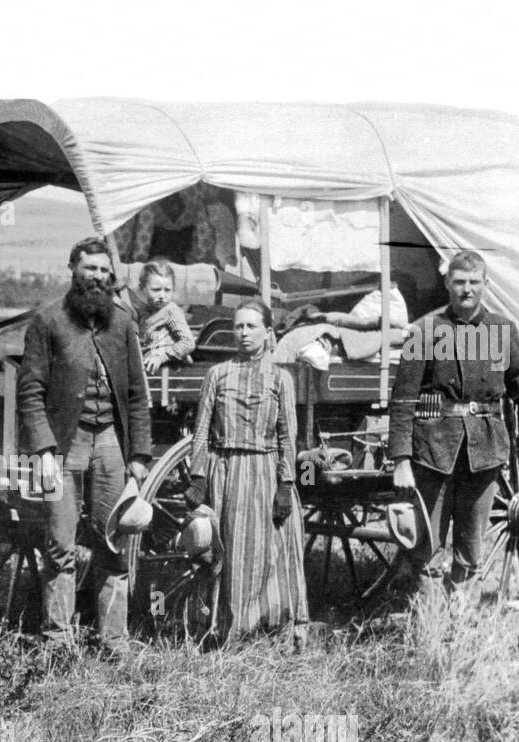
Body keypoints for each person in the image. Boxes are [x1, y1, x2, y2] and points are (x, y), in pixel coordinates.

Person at [388, 250, 519, 592]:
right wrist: (401, 460)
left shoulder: (501, 331)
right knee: (426, 547)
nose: (466, 290)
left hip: (484, 451)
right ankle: (428, 626)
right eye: (459, 282)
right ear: (447, 283)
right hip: (433, 452)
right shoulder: (423, 332)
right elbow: (403, 400)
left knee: (471, 549)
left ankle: (457, 618)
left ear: (486, 285)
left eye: (474, 282)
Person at [18, 237, 153, 655]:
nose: (97, 276)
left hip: (111, 443)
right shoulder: (48, 321)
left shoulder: (123, 323)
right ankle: (57, 643)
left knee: (114, 545)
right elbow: (31, 391)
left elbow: (136, 395)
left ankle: (115, 642)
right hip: (64, 446)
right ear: (72, 269)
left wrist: (139, 458)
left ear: (111, 275)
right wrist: (43, 452)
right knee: (59, 546)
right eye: (89, 268)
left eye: (103, 270)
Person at [184, 301, 309, 647]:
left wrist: (286, 484)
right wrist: (199, 476)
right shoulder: (217, 375)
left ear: (268, 333)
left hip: (267, 472)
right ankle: (230, 631)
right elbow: (201, 431)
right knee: (233, 553)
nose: (243, 333)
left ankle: (274, 631)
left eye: (252, 327)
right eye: (238, 327)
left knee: (273, 551)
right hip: (228, 471)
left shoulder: (281, 378)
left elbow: (288, 435)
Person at [135, 260, 196, 374]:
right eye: (156, 290)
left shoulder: (171, 311)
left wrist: (162, 356)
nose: (162, 296)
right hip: (148, 367)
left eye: (167, 290)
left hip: (169, 370)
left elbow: (188, 342)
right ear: (142, 288)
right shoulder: (143, 311)